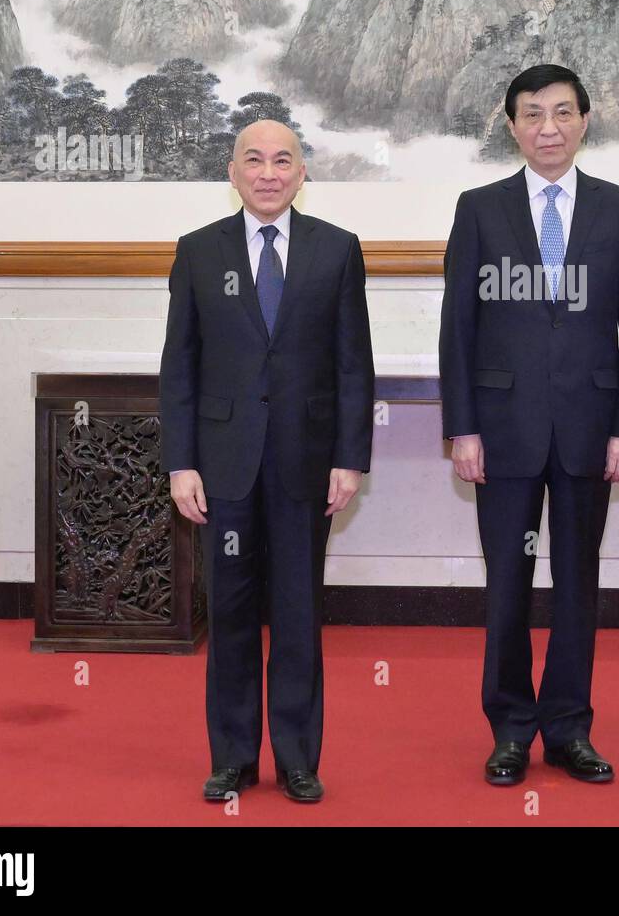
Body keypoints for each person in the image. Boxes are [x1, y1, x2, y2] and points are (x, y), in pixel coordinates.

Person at [440, 64, 619, 786]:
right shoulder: (479, 208)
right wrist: (461, 428)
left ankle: (567, 727)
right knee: (506, 582)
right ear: (511, 125)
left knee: (577, 584)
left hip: (591, 427)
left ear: (585, 120)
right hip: (501, 429)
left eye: (563, 112)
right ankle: (508, 727)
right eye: (533, 114)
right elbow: (457, 330)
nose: (548, 128)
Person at [159, 120, 374, 803]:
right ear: (233, 171)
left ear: (302, 171)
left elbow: (352, 366)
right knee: (228, 612)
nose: (269, 172)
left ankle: (298, 756)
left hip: (305, 464)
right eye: (254, 159)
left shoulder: (336, 251)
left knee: (298, 611)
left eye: (283, 160)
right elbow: (180, 367)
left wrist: (350, 457)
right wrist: (180, 462)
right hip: (223, 467)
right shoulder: (198, 252)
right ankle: (232, 756)